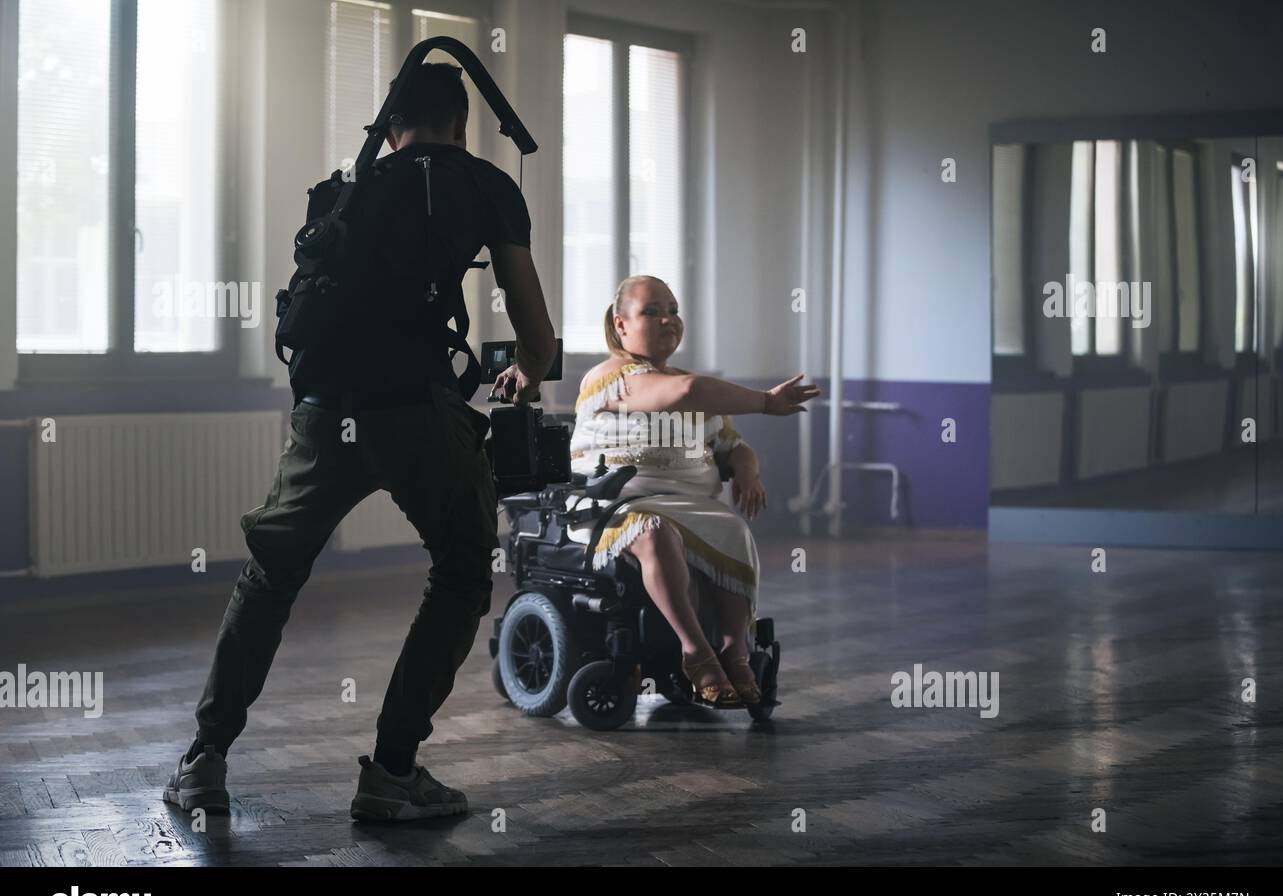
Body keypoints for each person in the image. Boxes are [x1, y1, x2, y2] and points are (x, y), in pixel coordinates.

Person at [164, 63, 555, 822]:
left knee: (269, 579)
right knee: (463, 568)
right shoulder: (485, 185)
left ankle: (204, 761)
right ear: (461, 124)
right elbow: (534, 337)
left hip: (322, 412)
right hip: (416, 412)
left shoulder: (343, 190)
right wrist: (525, 375)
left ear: (391, 123)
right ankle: (394, 770)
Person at [564, 275, 819, 707]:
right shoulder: (611, 378)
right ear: (620, 324)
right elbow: (686, 392)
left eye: (673, 310)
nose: (667, 320)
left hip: (692, 505)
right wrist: (764, 402)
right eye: (651, 311)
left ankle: (734, 652)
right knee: (655, 531)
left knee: (734, 530)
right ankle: (697, 655)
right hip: (618, 505)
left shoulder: (687, 382)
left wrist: (747, 472)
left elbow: (734, 445)